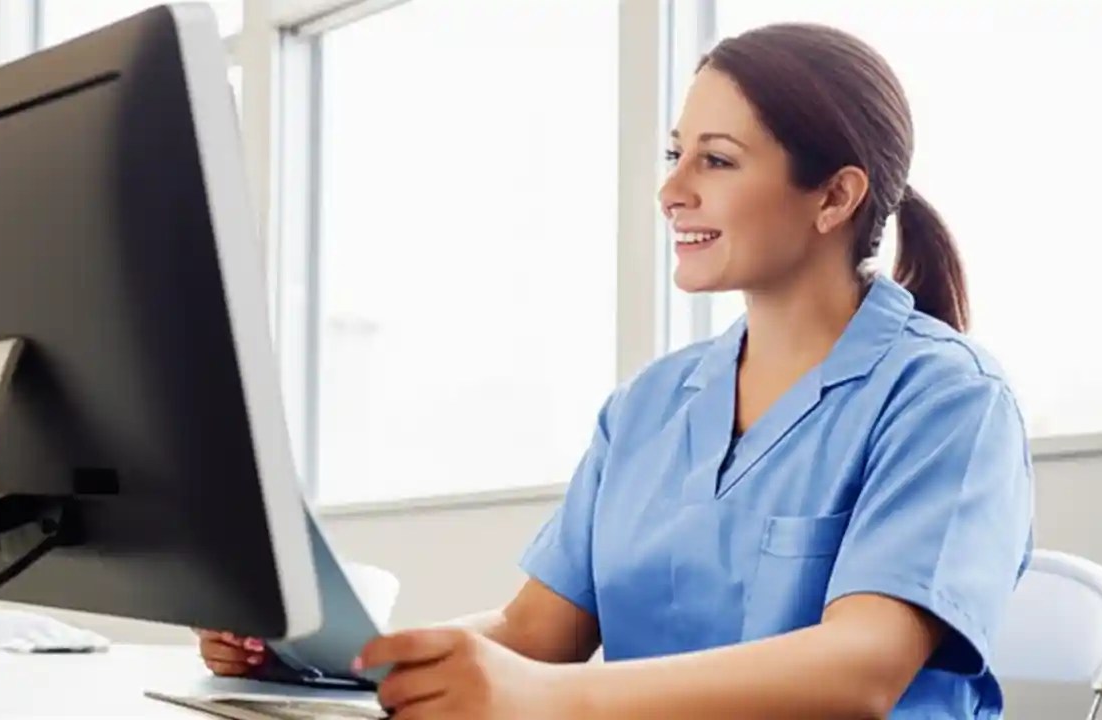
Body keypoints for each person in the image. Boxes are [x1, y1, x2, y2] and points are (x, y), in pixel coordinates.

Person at [200, 21, 1033, 719]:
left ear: (835, 197)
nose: (670, 188)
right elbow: (536, 634)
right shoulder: (651, 404)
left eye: (716, 159)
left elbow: (863, 668)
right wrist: (331, 659)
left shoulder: (948, 401)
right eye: (675, 153)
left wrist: (555, 700)